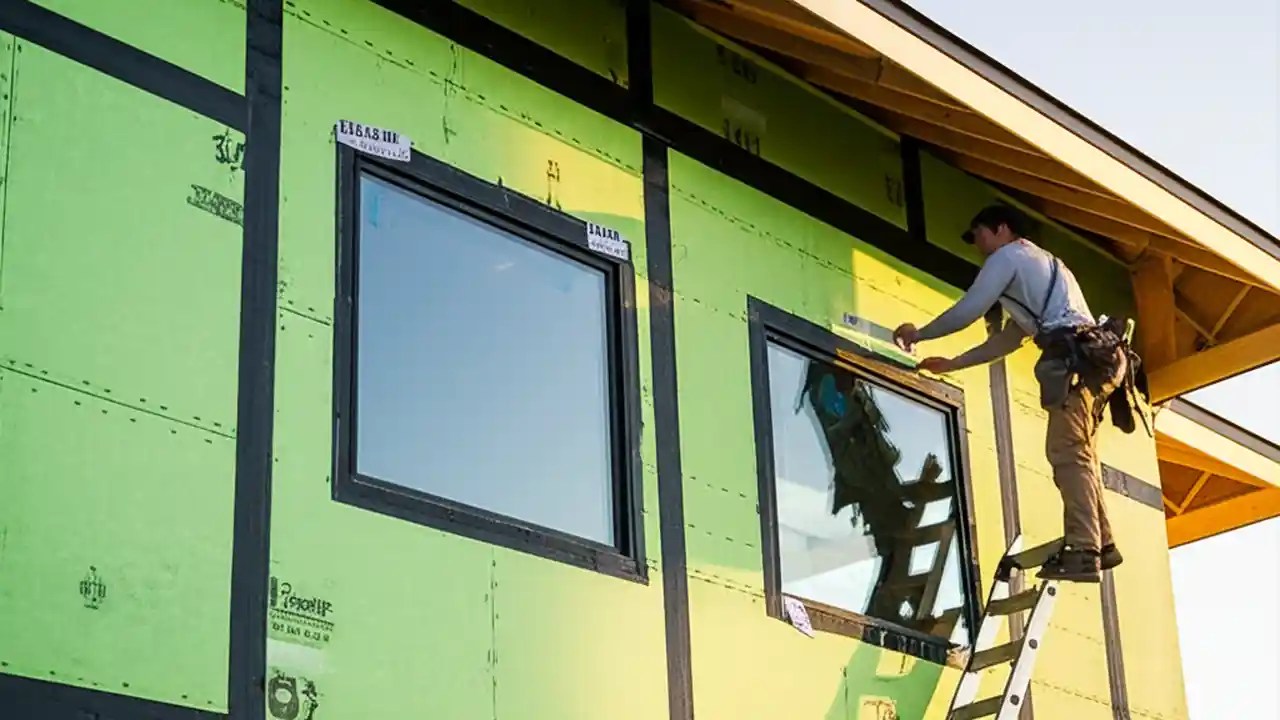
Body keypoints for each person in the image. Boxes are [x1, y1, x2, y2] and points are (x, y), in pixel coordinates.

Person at [893, 205, 1127, 583]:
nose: (979, 246)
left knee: (1066, 453)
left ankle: (1085, 550)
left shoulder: (1008, 257)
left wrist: (918, 334)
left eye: (980, 235)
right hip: (1098, 361)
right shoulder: (1040, 264)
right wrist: (953, 364)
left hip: (1077, 362)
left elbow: (970, 308)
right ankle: (1103, 543)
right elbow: (1008, 340)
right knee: (1078, 454)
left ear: (1002, 229)